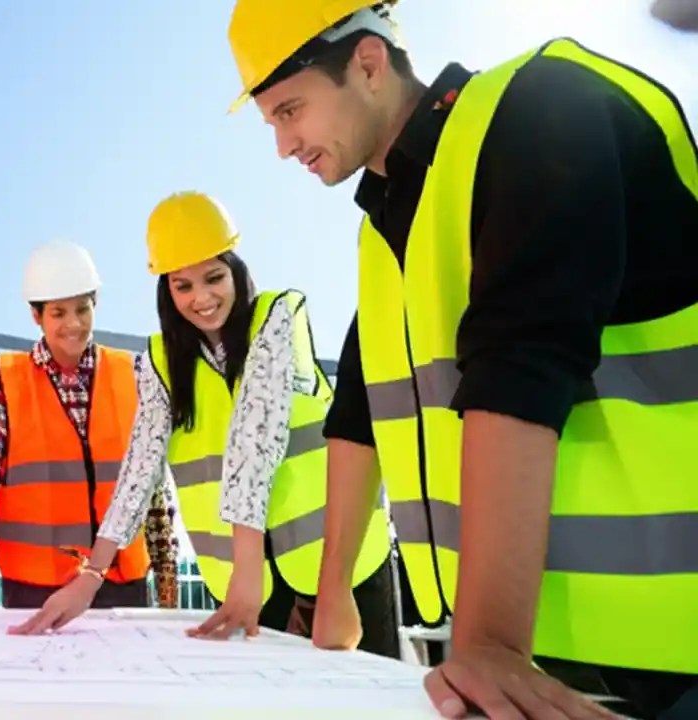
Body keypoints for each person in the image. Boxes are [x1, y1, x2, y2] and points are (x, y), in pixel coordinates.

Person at [224, 1, 698, 717]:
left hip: (666, 645)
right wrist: (333, 601)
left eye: (291, 111)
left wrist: (490, 641)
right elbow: (357, 415)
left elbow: (522, 357)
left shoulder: (537, 107)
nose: (285, 146)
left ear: (368, 63)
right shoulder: (386, 237)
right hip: (530, 647)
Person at [10, 192, 396, 653]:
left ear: (235, 269)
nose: (202, 298)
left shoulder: (278, 316)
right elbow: (140, 470)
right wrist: (92, 576)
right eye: (183, 286)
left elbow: (257, 436)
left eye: (214, 278)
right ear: (166, 291)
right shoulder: (159, 362)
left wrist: (247, 569)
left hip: (340, 561)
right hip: (242, 580)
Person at [0, 239, 179, 617]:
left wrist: (166, 570)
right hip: (34, 590)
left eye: (83, 309)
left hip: (122, 585)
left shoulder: (132, 373)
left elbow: (153, 486)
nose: (73, 324)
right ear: (36, 316)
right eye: (58, 313)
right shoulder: (8, 379)